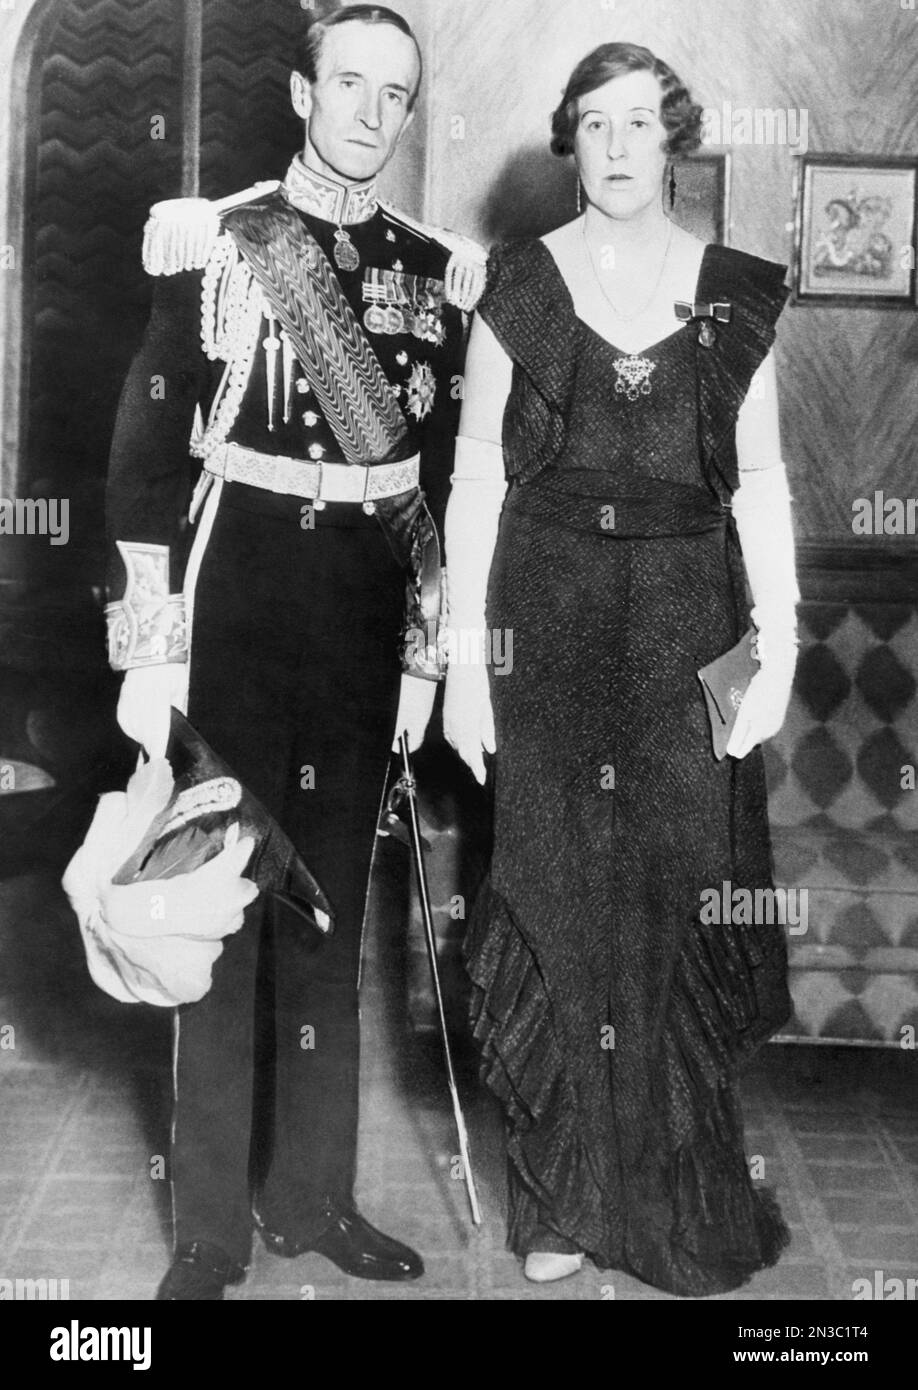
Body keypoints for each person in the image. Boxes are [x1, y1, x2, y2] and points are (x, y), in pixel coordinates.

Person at [105, 5, 484, 1299]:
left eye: (396, 93)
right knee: (217, 908)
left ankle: (311, 1196)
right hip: (238, 603)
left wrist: (424, 660)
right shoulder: (220, 236)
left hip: (363, 614)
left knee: (327, 921)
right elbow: (144, 456)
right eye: (350, 84)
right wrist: (150, 652)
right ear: (302, 92)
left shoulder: (437, 269)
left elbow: (435, 489)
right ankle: (209, 1230)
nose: (372, 112)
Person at [443, 41, 798, 1296]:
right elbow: (474, 479)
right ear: (571, 140)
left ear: (674, 138)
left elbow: (762, 483)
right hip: (544, 633)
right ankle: (560, 1207)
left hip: (688, 639)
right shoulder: (520, 286)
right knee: (555, 900)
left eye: (640, 122)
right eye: (594, 123)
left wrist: (780, 639)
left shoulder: (732, 297)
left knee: (674, 900)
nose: (616, 145)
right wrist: (464, 665)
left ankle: (671, 1200)